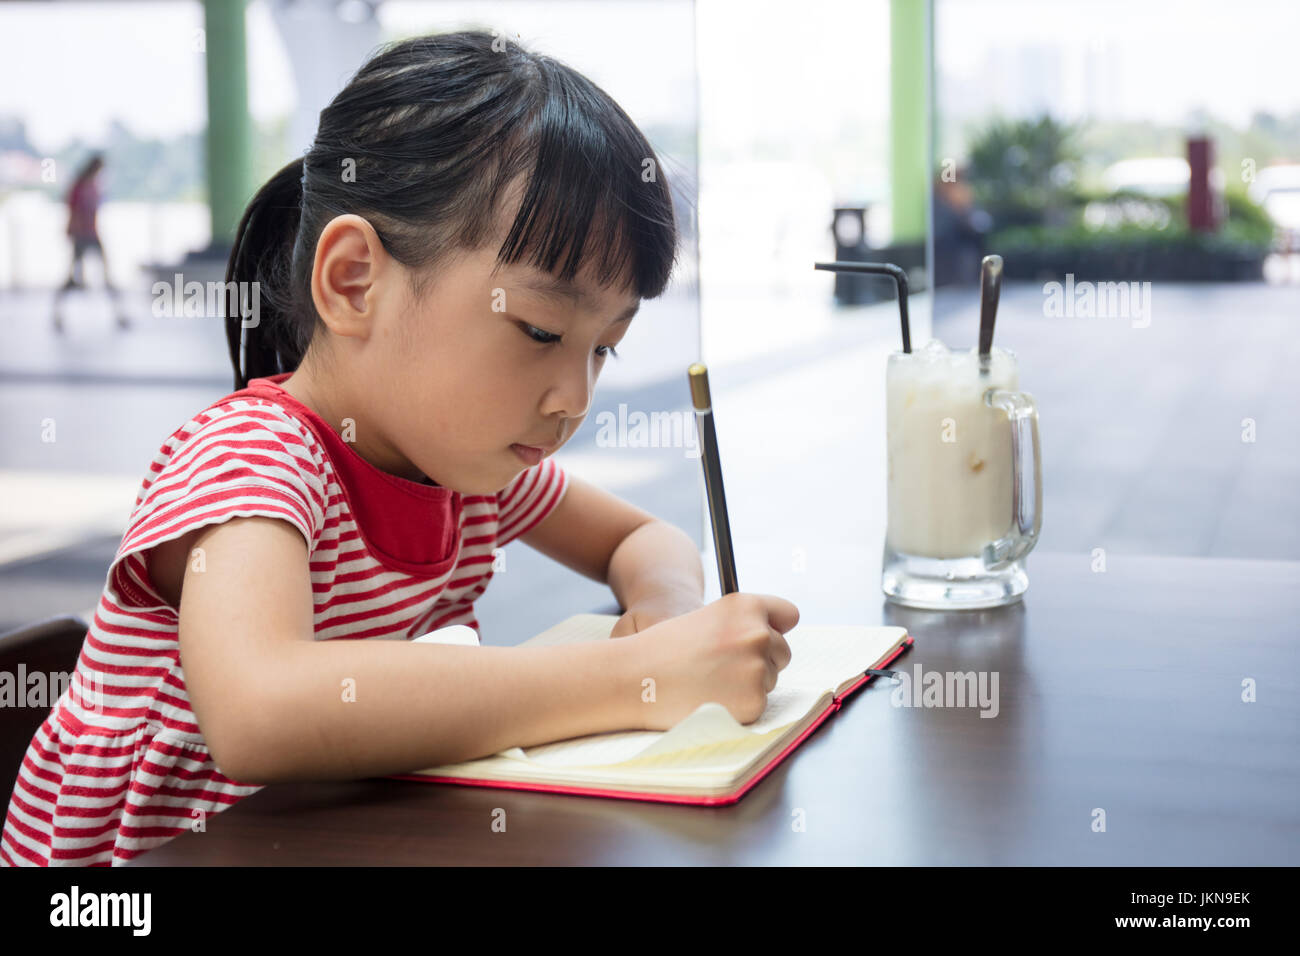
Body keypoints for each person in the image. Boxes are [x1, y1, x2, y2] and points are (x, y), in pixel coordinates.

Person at [1, 30, 798, 866]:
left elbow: (645, 540)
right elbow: (258, 711)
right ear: (354, 283)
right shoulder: (252, 460)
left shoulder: (462, 463)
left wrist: (665, 625)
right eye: (540, 329)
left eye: (604, 348)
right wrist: (633, 683)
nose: (577, 399)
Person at [52, 152, 130, 333]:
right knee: (72, 278)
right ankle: (57, 314)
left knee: (106, 275)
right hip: (81, 236)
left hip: (92, 235)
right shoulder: (79, 187)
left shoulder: (93, 186)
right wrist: (73, 232)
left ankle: (120, 315)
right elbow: (72, 211)